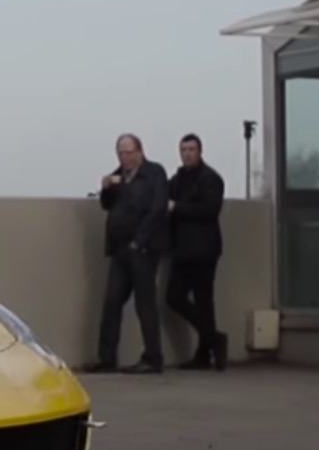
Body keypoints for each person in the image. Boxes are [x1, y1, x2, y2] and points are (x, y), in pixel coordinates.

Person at [87, 133, 169, 374]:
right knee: (112, 302)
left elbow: (158, 209)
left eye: (128, 153)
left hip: (142, 248)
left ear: (140, 152)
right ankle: (107, 357)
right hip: (119, 249)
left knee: (145, 304)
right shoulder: (118, 176)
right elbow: (107, 205)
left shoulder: (154, 173)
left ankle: (153, 357)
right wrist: (106, 189)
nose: (124, 158)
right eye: (120, 153)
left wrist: (139, 242)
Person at [166, 133, 228, 371]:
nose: (187, 154)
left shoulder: (211, 179)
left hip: (204, 249)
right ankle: (214, 339)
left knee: (203, 301)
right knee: (174, 298)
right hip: (182, 249)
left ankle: (205, 352)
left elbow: (209, 210)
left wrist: (177, 207)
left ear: (200, 151)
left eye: (191, 149)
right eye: (183, 150)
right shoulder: (177, 180)